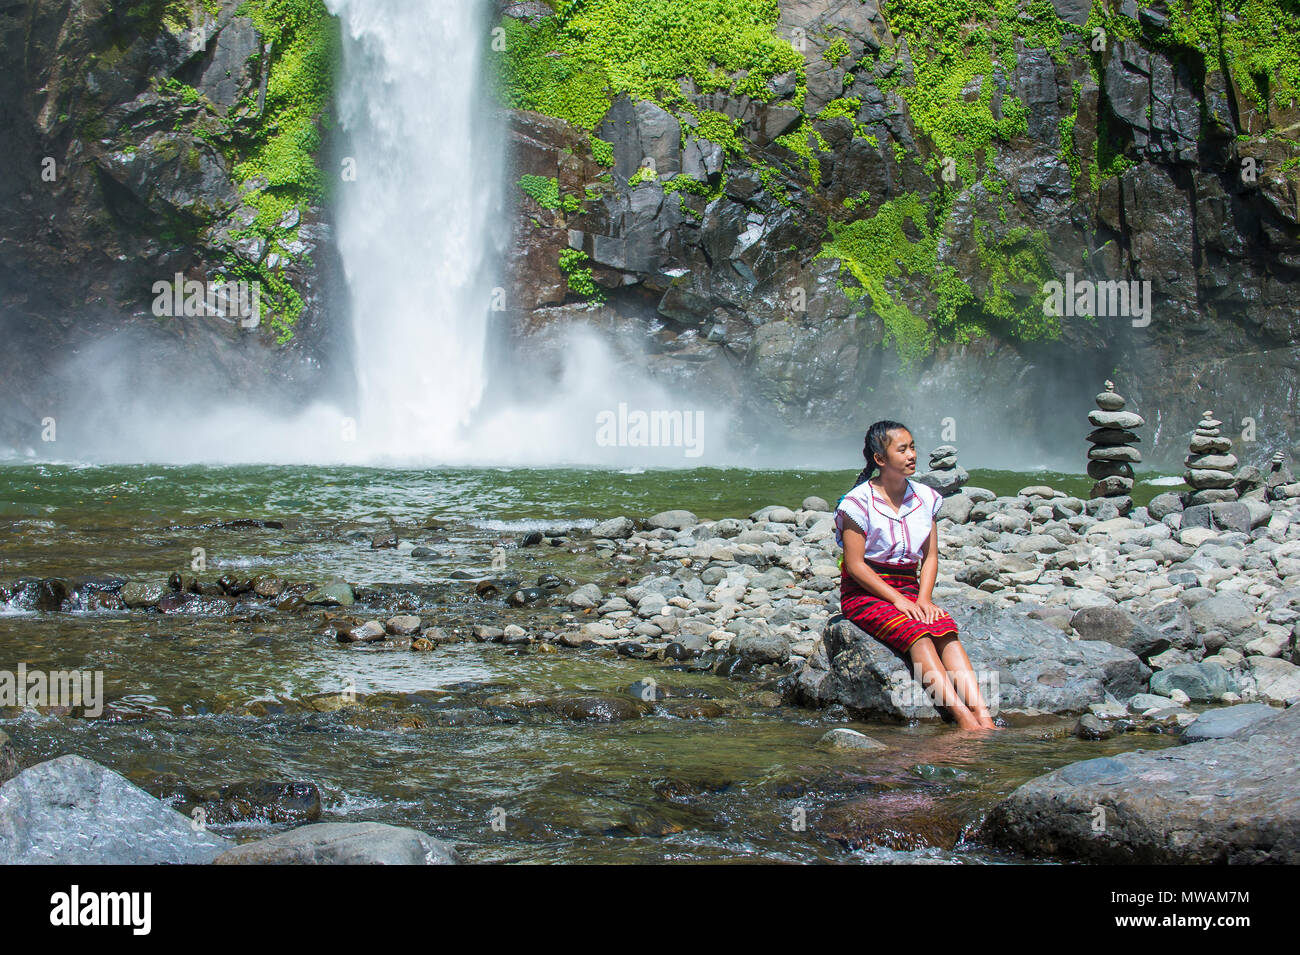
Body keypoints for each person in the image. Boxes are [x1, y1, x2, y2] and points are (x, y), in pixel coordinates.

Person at [833, 420, 999, 731]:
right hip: (864, 591)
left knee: (945, 629)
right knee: (918, 636)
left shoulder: (926, 498)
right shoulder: (856, 503)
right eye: (903, 449)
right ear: (880, 459)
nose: (912, 455)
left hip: (910, 586)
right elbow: (854, 565)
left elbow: (931, 556)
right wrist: (898, 600)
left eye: (913, 447)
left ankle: (984, 717)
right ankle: (964, 720)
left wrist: (923, 598)